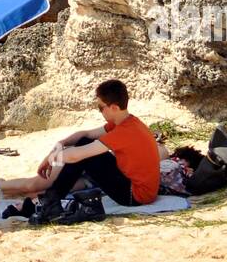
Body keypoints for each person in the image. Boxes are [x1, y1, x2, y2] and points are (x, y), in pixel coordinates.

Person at [32, 78, 160, 221]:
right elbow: (86, 134)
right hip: (137, 188)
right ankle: (52, 200)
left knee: (85, 153)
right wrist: (59, 145)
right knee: (84, 142)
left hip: (135, 196)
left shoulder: (124, 132)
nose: (100, 111)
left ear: (114, 108)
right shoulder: (127, 122)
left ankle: (51, 201)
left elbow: (76, 155)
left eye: (101, 108)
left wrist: (51, 158)